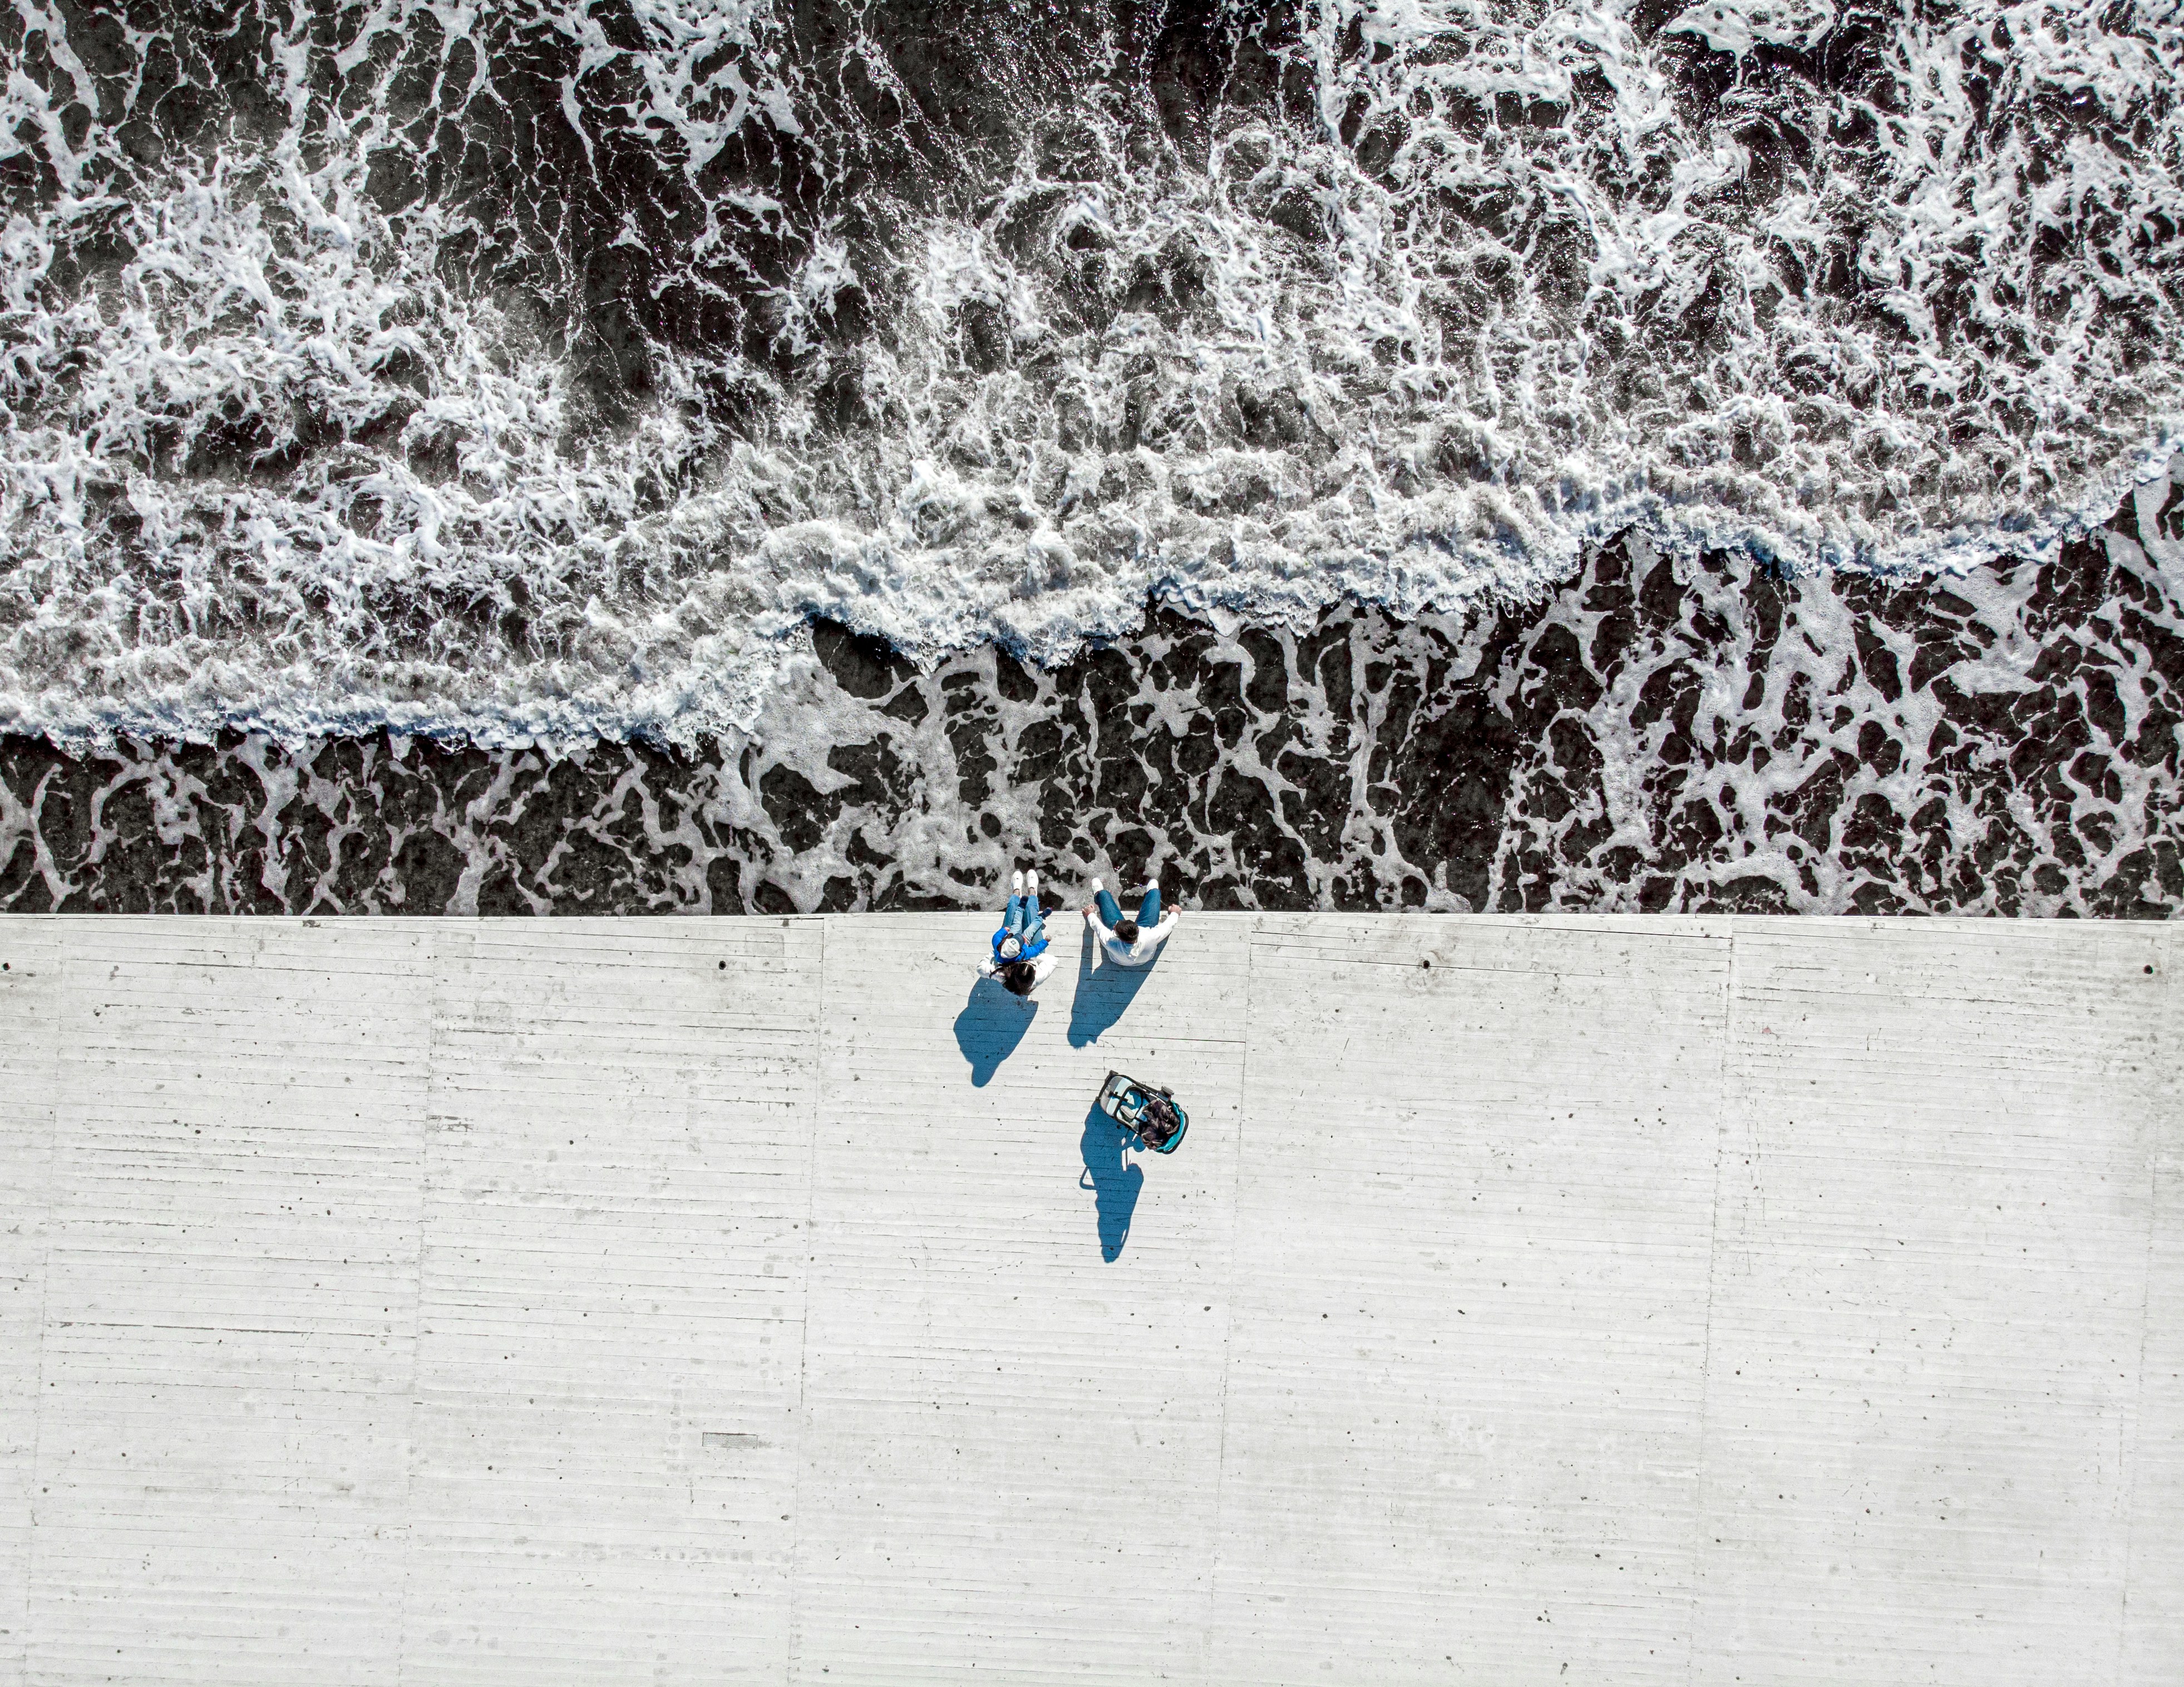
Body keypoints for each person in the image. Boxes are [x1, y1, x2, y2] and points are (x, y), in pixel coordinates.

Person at [978, 869, 1056, 997]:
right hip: (1032, 950)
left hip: (1010, 946)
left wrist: (1000, 949)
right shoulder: (1037, 978)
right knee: (1031, 911)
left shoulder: (1003, 975)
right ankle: (1032, 892)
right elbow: (1053, 961)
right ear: (1034, 973)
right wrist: (1033, 957)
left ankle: (1016, 892)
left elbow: (981, 969)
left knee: (1013, 914)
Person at [1083, 876, 1179, 967]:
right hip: (1145, 960)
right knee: (1155, 892)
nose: (1114, 927)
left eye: (1115, 929)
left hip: (1118, 960)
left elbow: (1097, 926)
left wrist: (1090, 914)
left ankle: (1099, 894)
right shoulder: (1150, 936)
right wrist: (1175, 913)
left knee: (1103, 895)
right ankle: (1151, 891)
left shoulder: (1111, 942)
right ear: (1137, 928)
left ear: (1117, 936)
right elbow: (1168, 927)